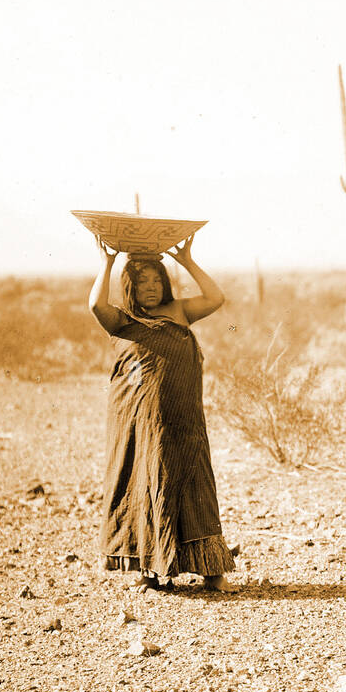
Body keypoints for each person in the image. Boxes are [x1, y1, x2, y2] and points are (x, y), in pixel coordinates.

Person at [88, 235, 237, 593]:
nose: (151, 288)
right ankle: (149, 571)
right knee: (143, 483)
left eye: (157, 281)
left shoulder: (180, 311)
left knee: (193, 482)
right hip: (142, 424)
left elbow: (216, 298)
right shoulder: (121, 321)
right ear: (130, 287)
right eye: (142, 282)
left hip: (183, 419)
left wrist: (186, 259)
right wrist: (107, 262)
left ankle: (212, 571)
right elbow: (95, 303)